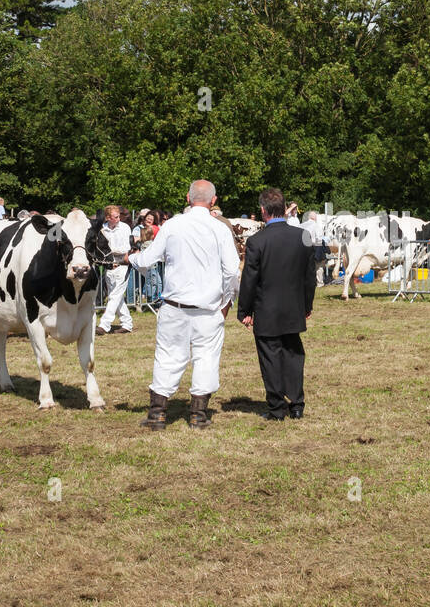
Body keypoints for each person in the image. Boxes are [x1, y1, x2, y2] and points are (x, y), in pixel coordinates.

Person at [129, 180, 240, 430]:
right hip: (208, 309)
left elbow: (147, 259)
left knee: (167, 356)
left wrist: (130, 258)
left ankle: (157, 414)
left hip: (174, 306)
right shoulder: (219, 229)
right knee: (206, 358)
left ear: (187, 198)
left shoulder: (172, 225)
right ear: (214, 200)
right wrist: (227, 301)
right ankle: (198, 415)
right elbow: (232, 271)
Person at [237, 188, 317, 421]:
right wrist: (307, 305)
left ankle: (276, 407)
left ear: (263, 210)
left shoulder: (256, 241)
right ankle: (296, 403)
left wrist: (245, 310)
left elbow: (250, 280)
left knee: (270, 356)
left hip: (266, 309)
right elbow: (309, 277)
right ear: (284, 209)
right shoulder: (302, 237)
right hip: (294, 307)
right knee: (293, 354)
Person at [97, 205, 134, 335]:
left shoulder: (125, 228)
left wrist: (111, 251)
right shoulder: (102, 230)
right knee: (116, 296)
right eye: (115, 217)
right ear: (108, 218)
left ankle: (104, 325)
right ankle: (127, 323)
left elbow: (126, 248)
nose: (118, 219)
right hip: (109, 265)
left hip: (122, 264)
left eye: (119, 216)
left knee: (114, 295)